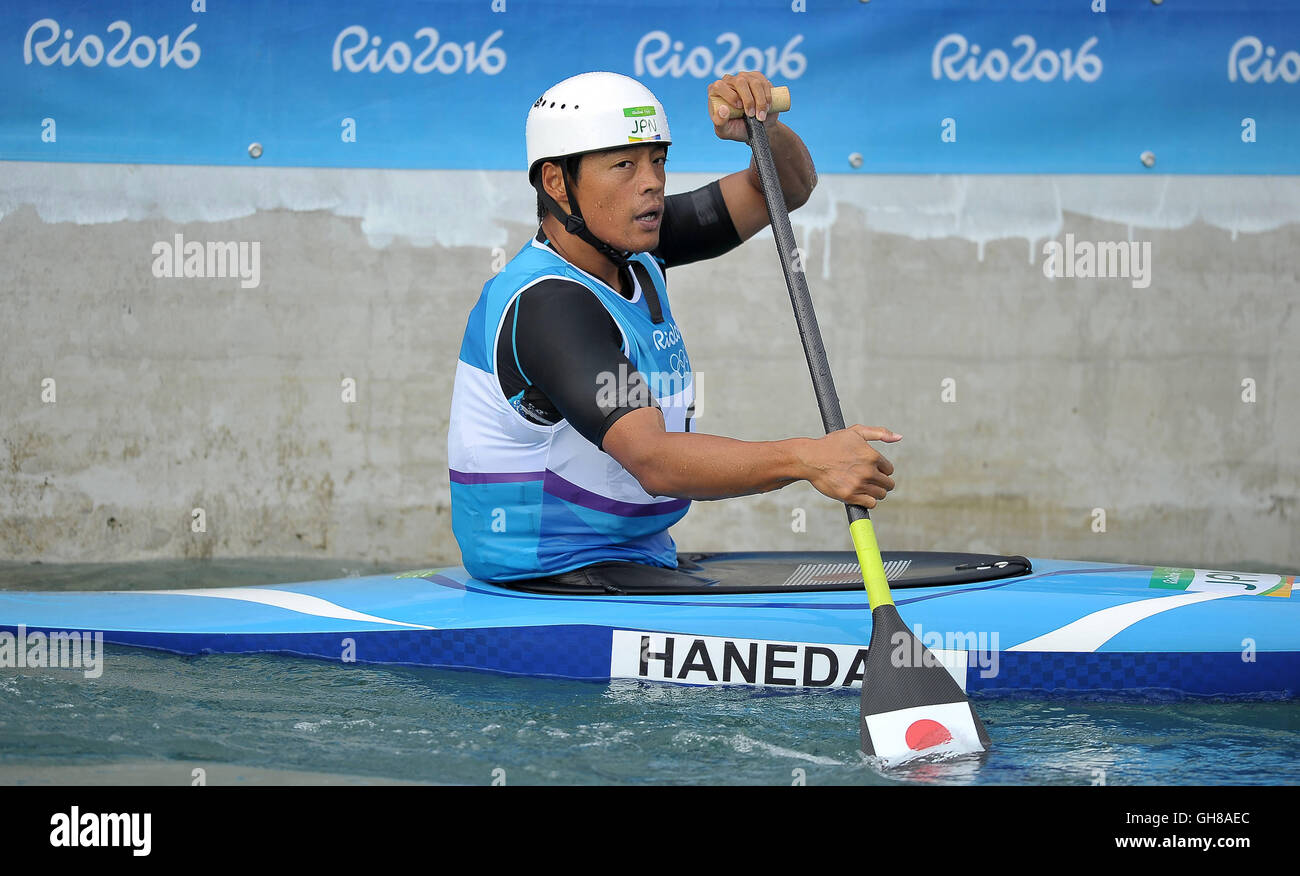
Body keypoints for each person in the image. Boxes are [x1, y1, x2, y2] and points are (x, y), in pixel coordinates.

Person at [447, 70, 899, 591]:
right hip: (547, 577)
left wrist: (763, 128)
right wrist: (806, 458)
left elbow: (784, 188)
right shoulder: (550, 307)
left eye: (658, 161)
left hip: (633, 560)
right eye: (624, 165)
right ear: (556, 183)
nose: (653, 182)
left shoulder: (639, 248)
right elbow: (655, 462)